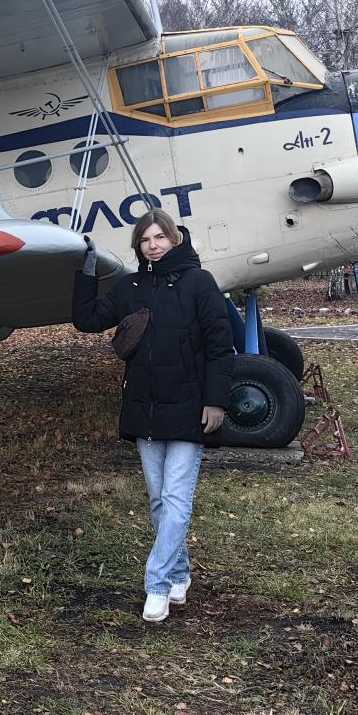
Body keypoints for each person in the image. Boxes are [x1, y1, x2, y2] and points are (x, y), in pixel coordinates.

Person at [71, 209, 235, 622]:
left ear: (175, 239)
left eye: (161, 237)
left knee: (177, 499)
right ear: (139, 245)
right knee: (160, 502)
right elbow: (86, 321)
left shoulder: (200, 283)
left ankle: (157, 585)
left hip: (189, 408)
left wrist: (215, 401)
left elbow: (220, 345)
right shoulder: (131, 287)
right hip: (144, 408)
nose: (154, 245)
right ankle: (179, 572)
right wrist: (86, 272)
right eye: (146, 239)